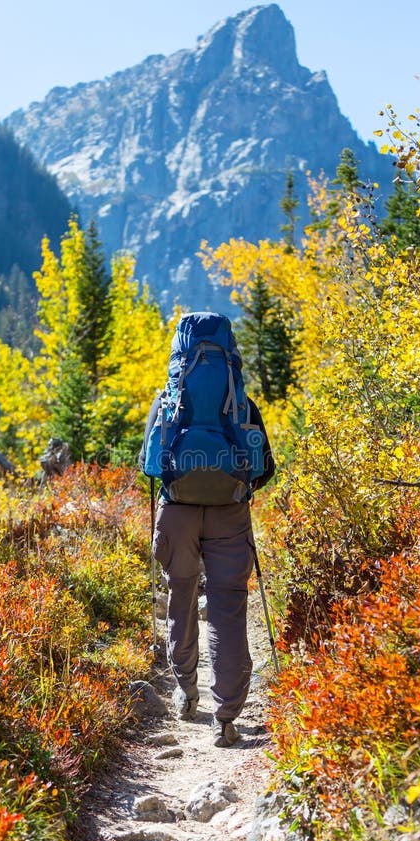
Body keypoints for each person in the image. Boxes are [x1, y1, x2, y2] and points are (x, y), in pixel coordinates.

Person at [139, 312, 275, 747]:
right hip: (229, 511)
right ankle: (227, 715)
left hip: (177, 509)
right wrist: (235, 486)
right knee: (228, 607)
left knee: (180, 596)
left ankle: (186, 690)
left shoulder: (167, 399)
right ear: (229, 350)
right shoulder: (240, 402)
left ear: (178, 350)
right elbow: (264, 466)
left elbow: (148, 464)